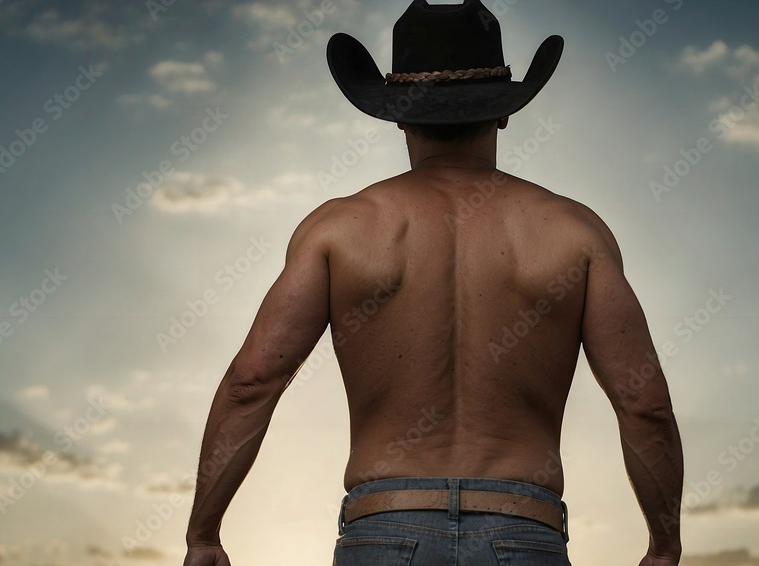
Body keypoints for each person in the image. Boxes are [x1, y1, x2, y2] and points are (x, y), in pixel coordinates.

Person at [183, 1, 683, 565]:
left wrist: (204, 533)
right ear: (504, 113)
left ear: (397, 114)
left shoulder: (339, 230)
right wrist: (664, 545)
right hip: (523, 530)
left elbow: (253, 381)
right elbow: (644, 403)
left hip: (385, 529)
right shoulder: (574, 233)